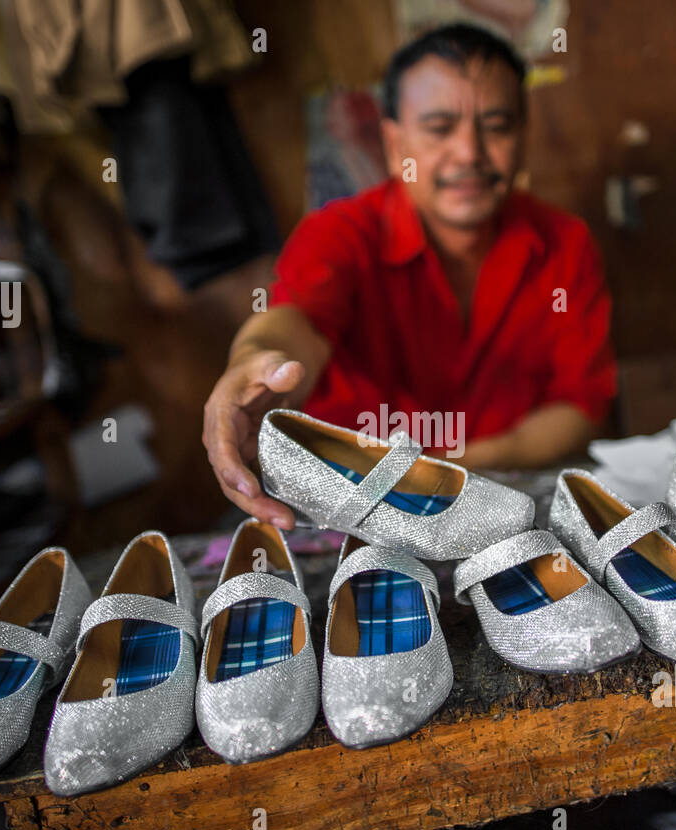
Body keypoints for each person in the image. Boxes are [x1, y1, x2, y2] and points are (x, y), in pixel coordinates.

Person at [203, 22, 617, 529]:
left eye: (496, 125)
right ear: (396, 145)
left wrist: (447, 473)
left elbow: (579, 406)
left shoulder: (564, 243)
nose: (469, 153)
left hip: (504, 499)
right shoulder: (340, 233)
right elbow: (295, 326)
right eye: (440, 128)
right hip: (351, 514)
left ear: (522, 138)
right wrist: (250, 364)